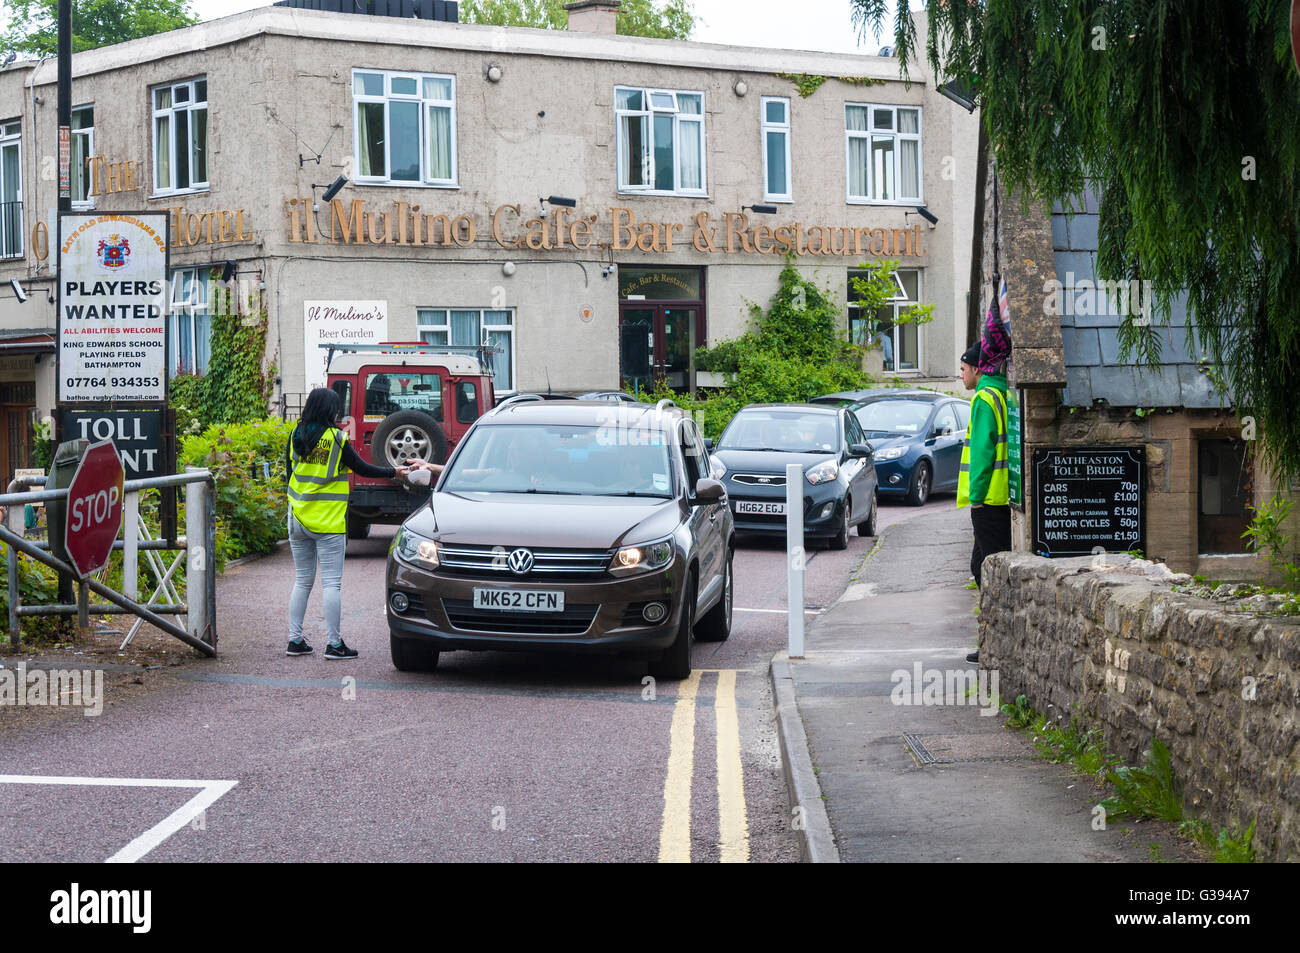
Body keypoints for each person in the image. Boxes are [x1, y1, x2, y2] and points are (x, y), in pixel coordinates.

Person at [285, 387, 410, 660]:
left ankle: (295, 640)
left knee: (302, 581)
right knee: (331, 584)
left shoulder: (295, 435)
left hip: (296, 517)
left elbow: (288, 474)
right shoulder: (336, 439)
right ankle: (334, 644)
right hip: (328, 522)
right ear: (329, 410)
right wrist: (395, 471)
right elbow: (363, 468)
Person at [957, 332, 1010, 665]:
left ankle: (997, 640)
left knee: (988, 570)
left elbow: (982, 452)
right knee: (982, 565)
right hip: (1003, 497)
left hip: (989, 499)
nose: (961, 375)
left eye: (963, 369)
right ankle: (994, 638)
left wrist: (975, 497)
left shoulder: (983, 398)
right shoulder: (1003, 392)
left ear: (977, 369)